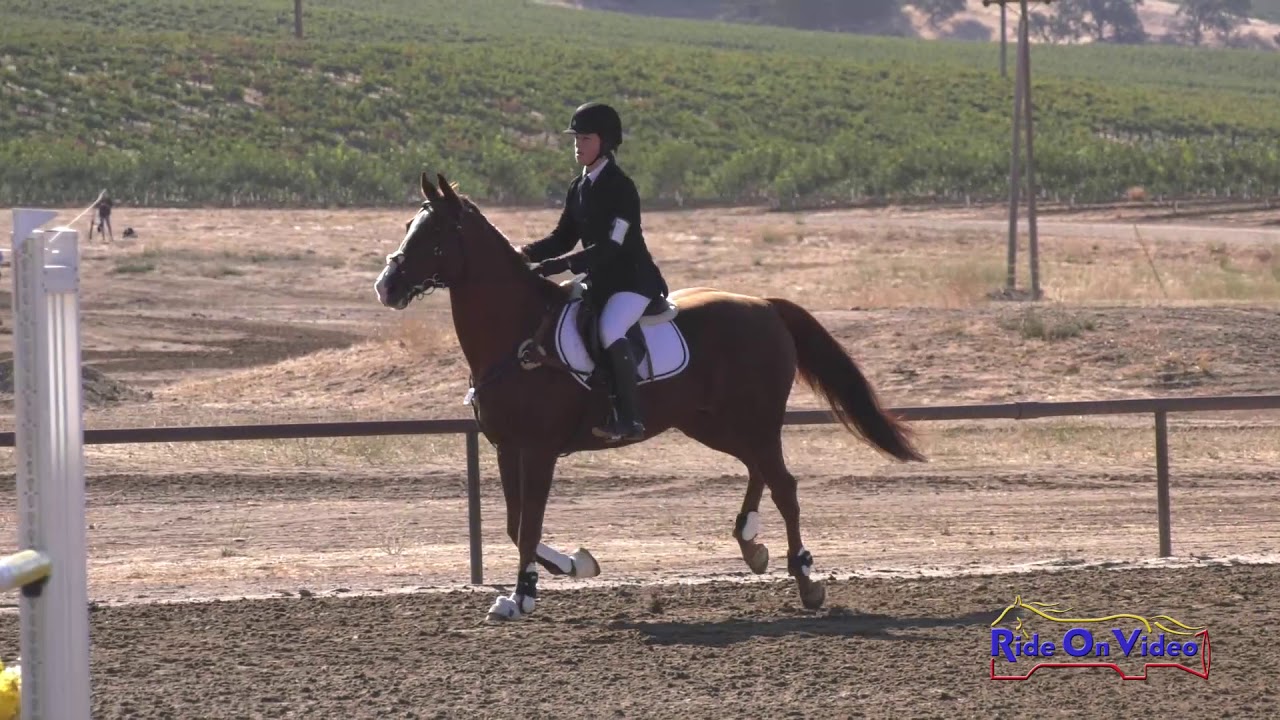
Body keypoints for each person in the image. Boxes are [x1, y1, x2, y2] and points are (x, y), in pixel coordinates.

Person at [518, 102, 669, 444]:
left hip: (632, 281)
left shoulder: (621, 187)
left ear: (606, 142)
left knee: (610, 328)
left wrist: (561, 266)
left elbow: (611, 247)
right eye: (576, 139)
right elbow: (562, 238)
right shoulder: (579, 187)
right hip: (600, 281)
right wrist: (523, 254)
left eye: (585, 138)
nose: (578, 145)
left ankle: (629, 417)